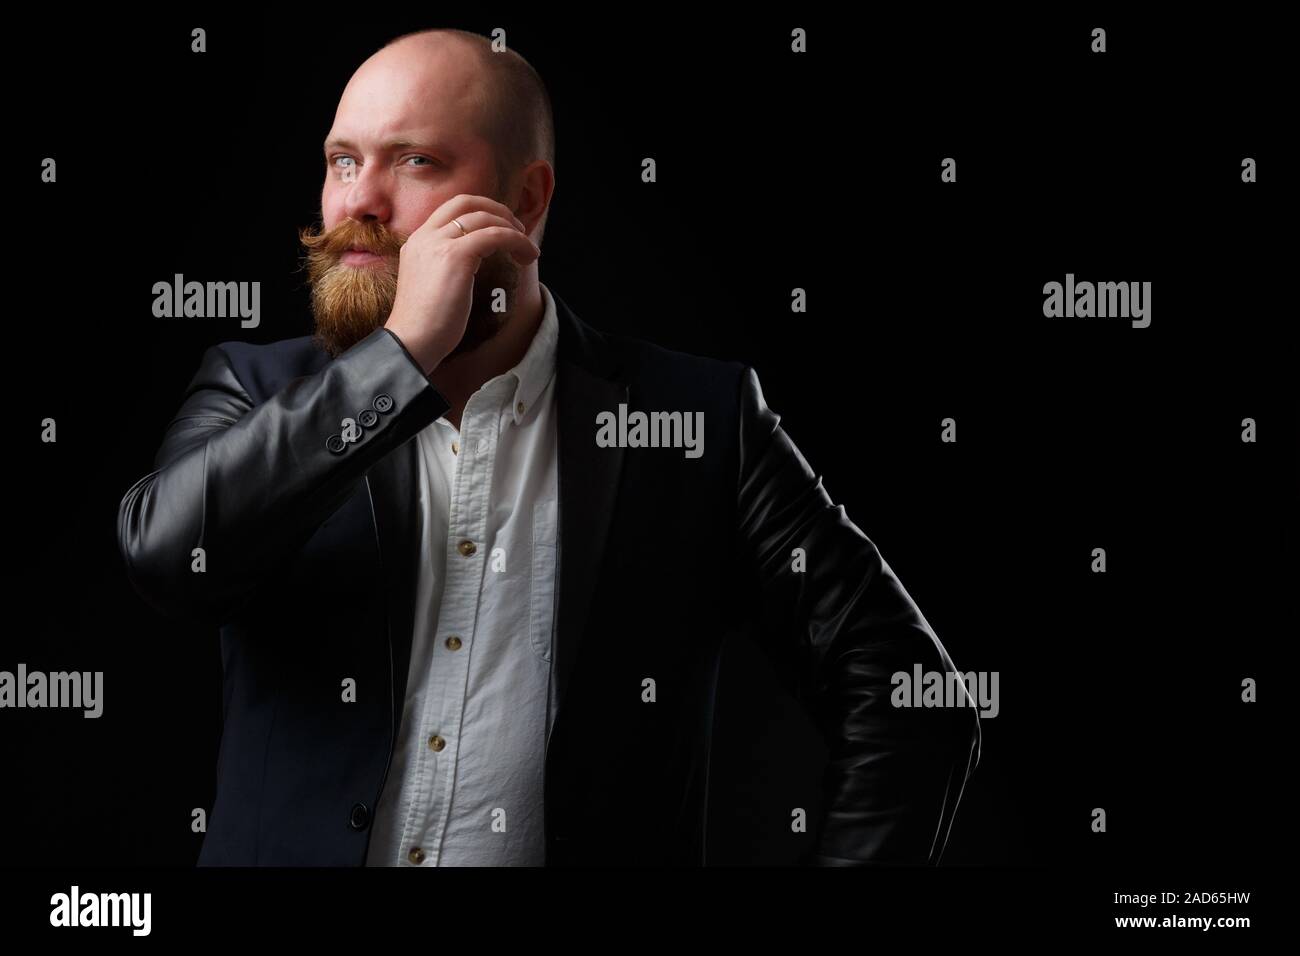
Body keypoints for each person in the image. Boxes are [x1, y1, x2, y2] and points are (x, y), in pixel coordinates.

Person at [117, 28, 980, 867]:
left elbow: (911, 695)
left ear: (526, 200)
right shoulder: (255, 389)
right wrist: (399, 359)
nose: (357, 204)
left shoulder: (697, 421)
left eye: (413, 160)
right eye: (344, 161)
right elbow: (165, 556)